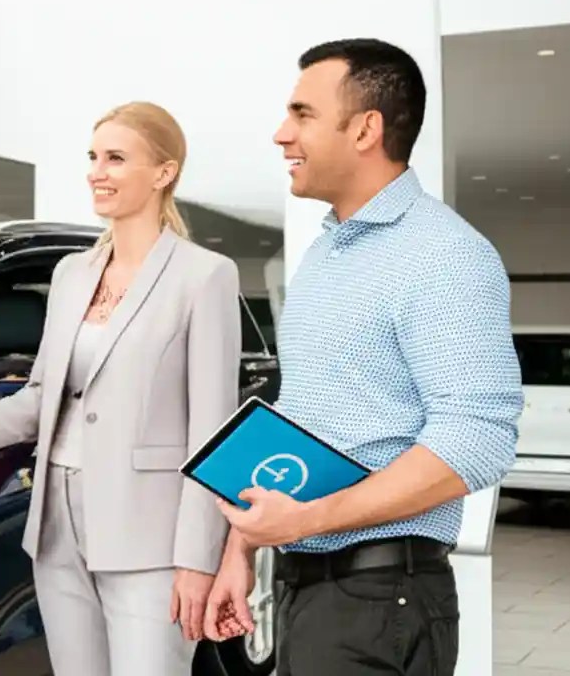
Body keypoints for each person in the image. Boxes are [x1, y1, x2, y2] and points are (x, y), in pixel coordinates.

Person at [205, 38, 522, 675]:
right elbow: (306, 422)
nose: (281, 134)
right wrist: (241, 550)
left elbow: (478, 438)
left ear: (365, 130)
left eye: (302, 114)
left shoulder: (445, 254)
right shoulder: (328, 254)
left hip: (382, 601)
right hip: (309, 590)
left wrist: (308, 520)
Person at [0, 101, 244, 675]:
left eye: (116, 158)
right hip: (57, 528)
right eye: (93, 157)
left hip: (150, 538)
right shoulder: (71, 273)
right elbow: (41, 398)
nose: (97, 172)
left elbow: (213, 434)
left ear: (164, 172)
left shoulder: (205, 276)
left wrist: (199, 558)